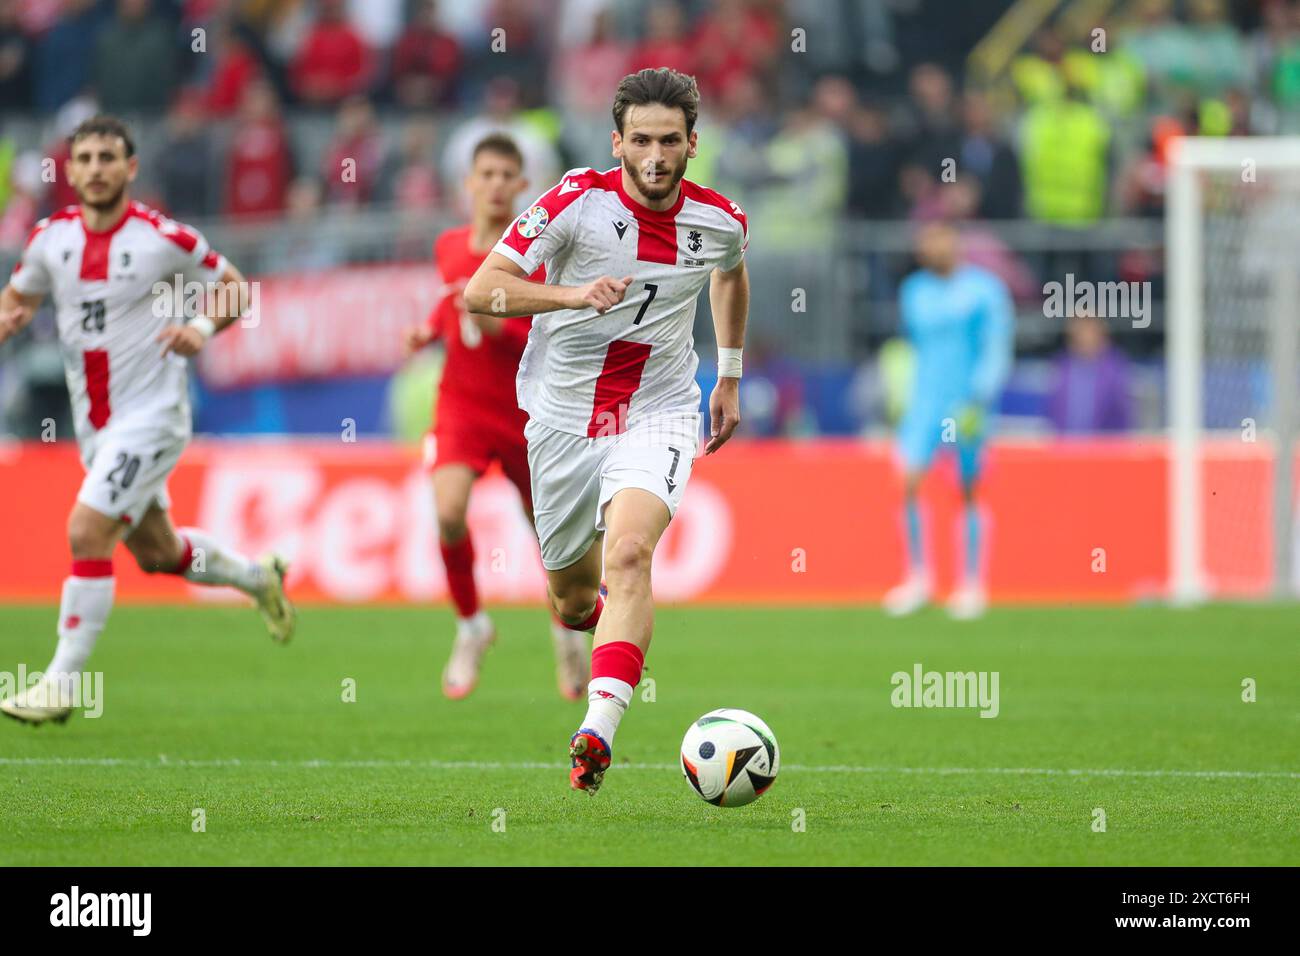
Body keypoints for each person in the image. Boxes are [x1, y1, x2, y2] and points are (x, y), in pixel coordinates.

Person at [464, 68, 750, 793]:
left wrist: (730, 373)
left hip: (657, 410)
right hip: (561, 420)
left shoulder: (721, 221)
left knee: (630, 554)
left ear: (693, 144)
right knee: (570, 600)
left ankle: (597, 729)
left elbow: (729, 274)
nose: (655, 156)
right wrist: (569, 294)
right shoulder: (575, 202)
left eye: (671, 141)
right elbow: (482, 289)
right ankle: (609, 634)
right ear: (617, 141)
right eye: (642, 141)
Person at [0, 116, 294, 724]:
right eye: (85, 158)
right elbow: (21, 295)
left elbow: (236, 288)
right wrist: (10, 316)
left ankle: (60, 685)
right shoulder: (49, 240)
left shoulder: (165, 238)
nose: (96, 169)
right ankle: (257, 578)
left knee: (86, 531)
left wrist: (201, 327)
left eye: (109, 157)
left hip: (154, 417)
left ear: (130, 168)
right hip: (96, 427)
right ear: (70, 169)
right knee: (159, 553)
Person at [403, 133, 588, 701]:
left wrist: (496, 330)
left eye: (508, 175)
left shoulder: (534, 257)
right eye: (486, 174)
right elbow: (449, 298)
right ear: (469, 183)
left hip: (526, 410)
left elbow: (545, 330)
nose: (496, 185)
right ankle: (471, 626)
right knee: (449, 512)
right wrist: (430, 330)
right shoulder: (449, 245)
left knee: (548, 536)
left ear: (523, 186)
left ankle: (567, 633)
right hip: (460, 406)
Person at [883, 222, 1013, 621]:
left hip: (965, 404)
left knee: (968, 488)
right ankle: (919, 578)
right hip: (924, 403)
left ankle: (972, 583)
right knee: (908, 482)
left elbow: (997, 346)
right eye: (924, 241)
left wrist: (981, 395)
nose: (930, 247)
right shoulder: (914, 292)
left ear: (954, 241)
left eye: (937, 238)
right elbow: (915, 348)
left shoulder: (985, 290)